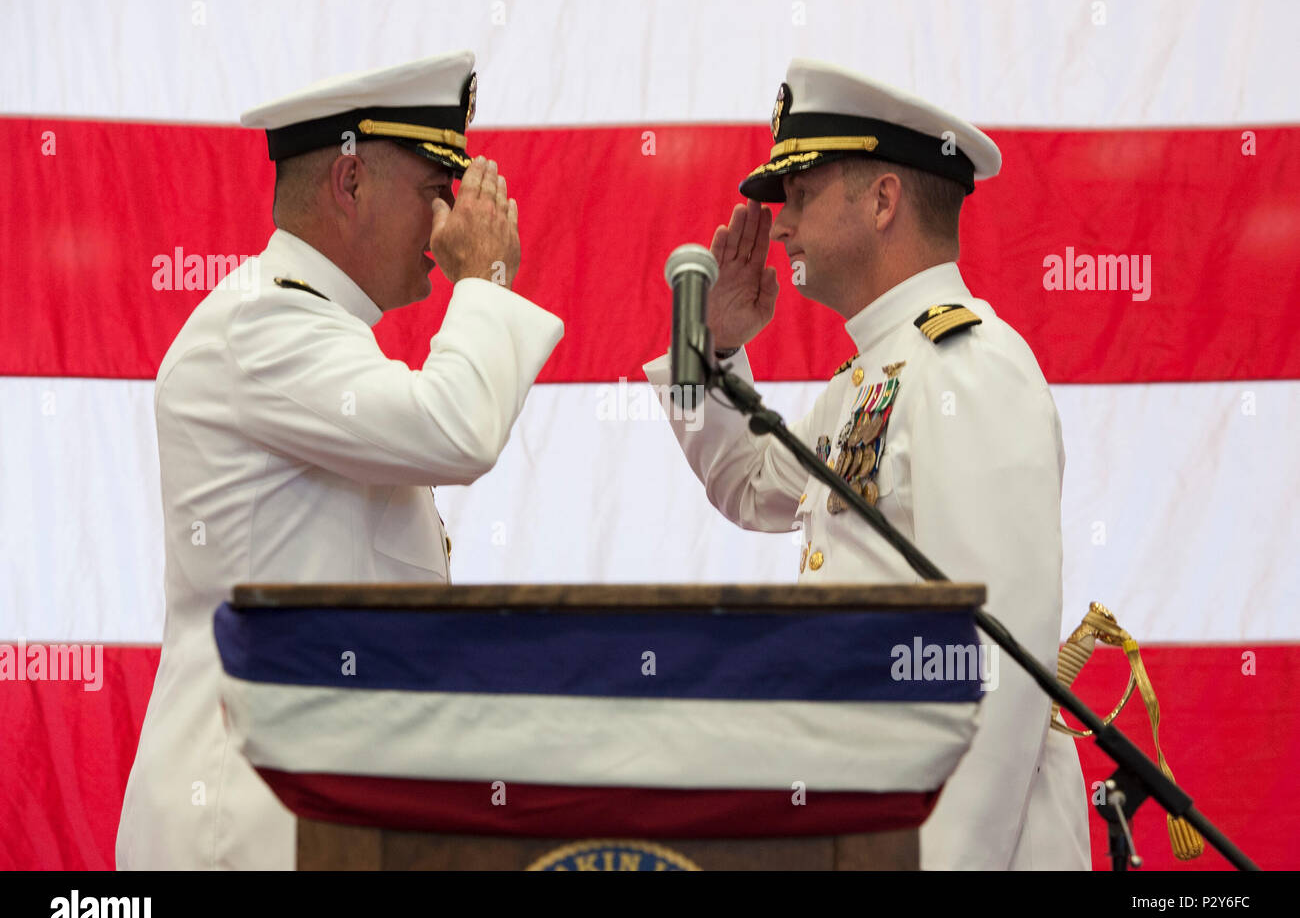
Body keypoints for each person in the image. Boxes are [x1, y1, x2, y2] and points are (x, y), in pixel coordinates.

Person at [116, 51, 564, 870]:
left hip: (310, 814)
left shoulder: (319, 333)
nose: (446, 225)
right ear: (350, 182)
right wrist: (487, 283)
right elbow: (457, 428)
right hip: (246, 828)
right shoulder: (263, 326)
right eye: (436, 192)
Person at [643, 58, 1090, 870]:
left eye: (802, 194)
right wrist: (705, 350)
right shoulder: (871, 377)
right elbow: (748, 484)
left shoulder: (967, 365)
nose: (780, 227)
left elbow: (999, 664)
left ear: (883, 202)